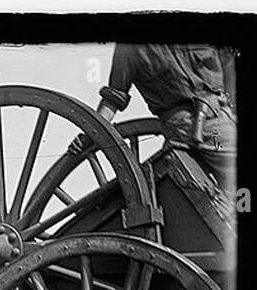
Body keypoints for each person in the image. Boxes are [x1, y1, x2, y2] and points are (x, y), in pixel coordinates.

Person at [90, 43, 236, 208]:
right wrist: (89, 136)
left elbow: (229, 63)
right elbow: (113, 99)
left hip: (222, 114)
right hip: (199, 126)